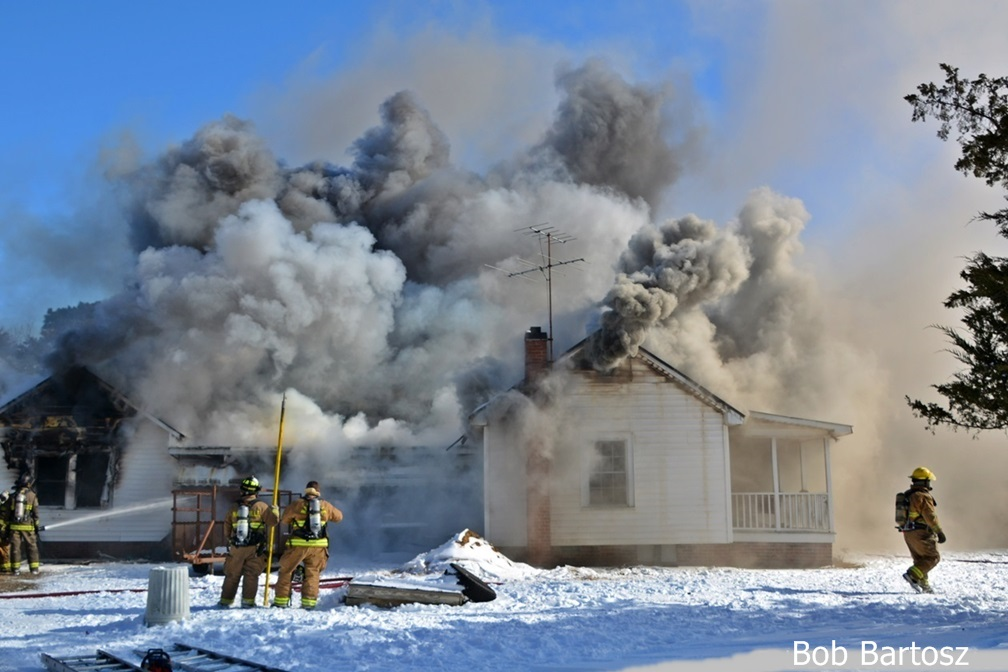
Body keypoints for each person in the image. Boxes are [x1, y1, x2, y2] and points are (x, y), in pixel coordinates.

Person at [271, 480, 343, 610]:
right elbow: (339, 517)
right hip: (318, 547)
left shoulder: (297, 504)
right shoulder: (325, 505)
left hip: (297, 545)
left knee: (286, 571)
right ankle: (308, 603)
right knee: (312, 573)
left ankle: (281, 601)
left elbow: (285, 520)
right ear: (318, 492)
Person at [217, 476, 279, 608]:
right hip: (255, 549)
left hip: (237, 547)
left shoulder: (234, 507)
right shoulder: (261, 506)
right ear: (256, 491)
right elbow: (273, 522)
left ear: (242, 491)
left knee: (232, 575)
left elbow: (227, 525)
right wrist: (275, 511)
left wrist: (230, 539)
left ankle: (225, 601)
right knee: (251, 575)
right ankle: (248, 602)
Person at [901, 466, 946, 593]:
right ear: (924, 481)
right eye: (928, 481)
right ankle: (912, 575)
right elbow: (930, 516)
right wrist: (939, 531)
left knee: (920, 559)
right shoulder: (923, 496)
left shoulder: (908, 495)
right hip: (921, 532)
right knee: (933, 557)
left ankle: (923, 583)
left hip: (908, 533)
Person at [7, 473, 42, 575]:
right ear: (29, 484)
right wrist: (36, 526)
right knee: (32, 547)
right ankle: (34, 569)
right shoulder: (32, 496)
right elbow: (35, 514)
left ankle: (15, 570)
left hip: (14, 527)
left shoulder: (13, 496)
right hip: (28, 527)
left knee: (15, 548)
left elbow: (7, 513)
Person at [0, 490, 10, 574]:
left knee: (5, 548)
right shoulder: (7, 506)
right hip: (4, 530)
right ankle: (5, 567)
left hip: (4, 530)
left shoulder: (7, 506)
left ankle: (5, 567)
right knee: (4, 548)